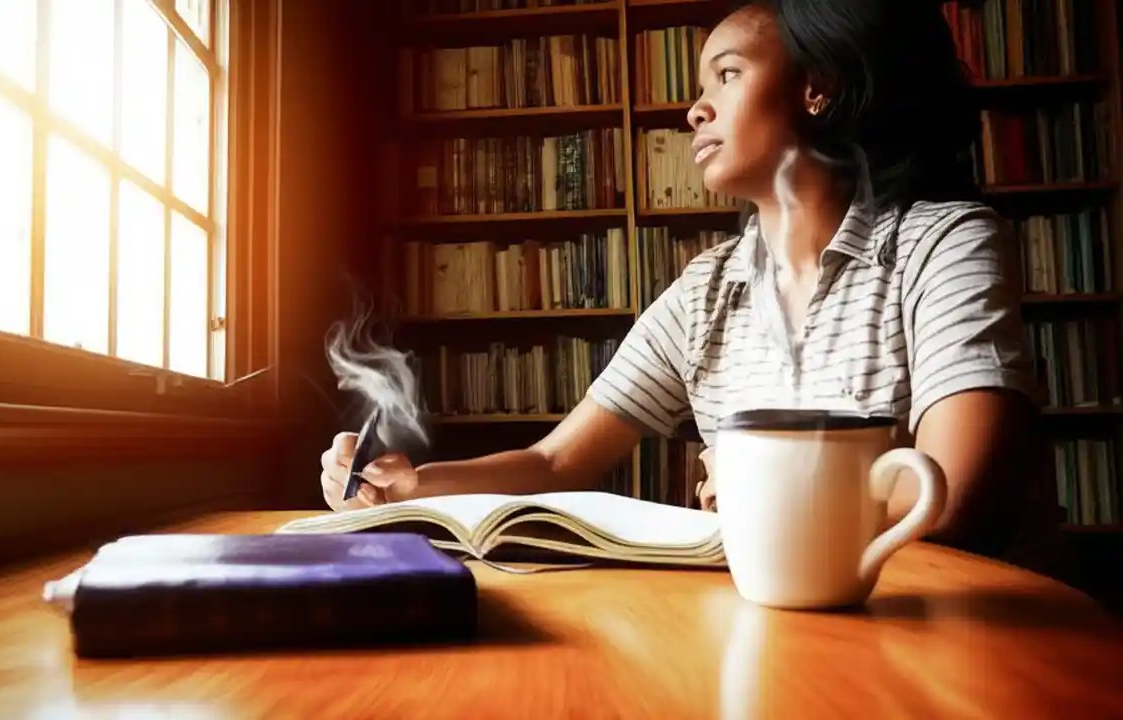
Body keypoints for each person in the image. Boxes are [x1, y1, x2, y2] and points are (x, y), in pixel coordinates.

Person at [320, 0, 1067, 576]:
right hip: (780, 614)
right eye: (698, 86)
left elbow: (958, 490)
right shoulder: (704, 290)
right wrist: (412, 485)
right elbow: (557, 463)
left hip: (944, 624)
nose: (693, 109)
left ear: (819, 87)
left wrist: (771, 500)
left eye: (728, 75)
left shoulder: (942, 242)